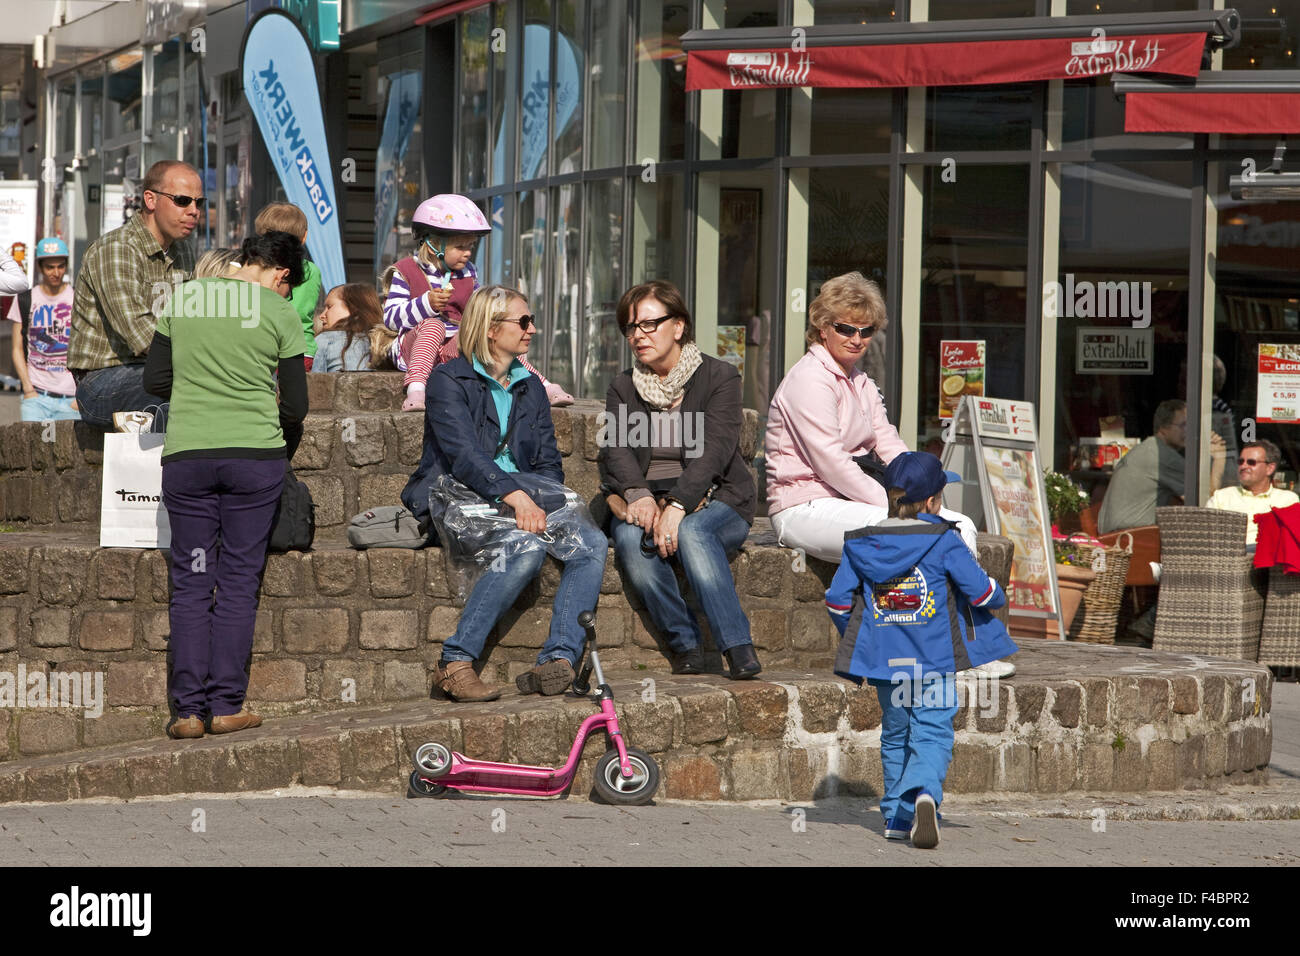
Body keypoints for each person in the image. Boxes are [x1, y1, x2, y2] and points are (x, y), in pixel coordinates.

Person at [141, 231, 309, 739]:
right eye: (289, 287)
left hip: (188, 457)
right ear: (281, 274)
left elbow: (154, 381)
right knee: (237, 581)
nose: (286, 296)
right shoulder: (278, 313)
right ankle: (226, 706)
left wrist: (199, 386)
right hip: (254, 460)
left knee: (191, 582)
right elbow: (297, 406)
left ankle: (187, 712)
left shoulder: (185, 295)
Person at [404, 285, 607, 702]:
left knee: (591, 541)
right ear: (492, 329)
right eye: (524, 321)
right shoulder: (448, 380)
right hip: (460, 496)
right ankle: (454, 662)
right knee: (525, 549)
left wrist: (547, 500)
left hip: (523, 496)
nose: (532, 329)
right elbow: (462, 457)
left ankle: (560, 659)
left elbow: (548, 461)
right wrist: (515, 496)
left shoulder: (529, 386)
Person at [827, 452, 1016, 849]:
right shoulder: (944, 540)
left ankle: (897, 817)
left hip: (886, 664)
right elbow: (981, 592)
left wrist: (863, 638)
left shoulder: (863, 542)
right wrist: (1000, 592)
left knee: (896, 733)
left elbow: (838, 602)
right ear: (931, 502)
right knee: (931, 730)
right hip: (933, 660)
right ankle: (925, 793)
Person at [598, 280, 761, 680]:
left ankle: (737, 647)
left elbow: (717, 450)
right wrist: (638, 496)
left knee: (692, 533)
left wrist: (678, 506)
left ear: (679, 326)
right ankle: (685, 642)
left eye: (649, 324)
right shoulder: (623, 386)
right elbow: (616, 449)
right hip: (648, 500)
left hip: (718, 498)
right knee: (630, 544)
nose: (638, 335)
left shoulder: (720, 376)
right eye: (631, 327)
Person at [382, 193, 572, 410]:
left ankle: (543, 384)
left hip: (452, 345)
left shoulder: (468, 272)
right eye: (460, 247)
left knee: (495, 340)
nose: (468, 253)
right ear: (433, 243)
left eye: (470, 246)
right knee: (434, 326)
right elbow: (391, 319)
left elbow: (477, 308)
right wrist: (427, 304)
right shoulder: (407, 270)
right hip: (416, 346)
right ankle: (416, 389)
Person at [69, 159, 200, 429]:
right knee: (195, 393)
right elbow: (141, 336)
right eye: (183, 200)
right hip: (102, 380)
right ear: (150, 200)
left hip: (162, 372)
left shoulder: (185, 250)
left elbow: (196, 321)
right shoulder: (117, 249)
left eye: (199, 202)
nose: (194, 211)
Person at [6, 237, 79, 422]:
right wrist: (28, 388)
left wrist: (82, 395)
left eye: (60, 266)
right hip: (36, 398)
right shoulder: (25, 299)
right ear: (40, 267)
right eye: (50, 267)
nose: (56, 272)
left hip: (71, 400)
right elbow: (16, 348)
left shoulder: (78, 298)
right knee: (30, 450)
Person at [1097, 399, 1187, 535]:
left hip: (1116, 534)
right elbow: (1201, 496)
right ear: (1163, 427)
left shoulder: (1147, 448)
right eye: (1183, 425)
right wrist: (1218, 459)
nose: (1189, 431)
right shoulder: (1162, 455)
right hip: (1130, 538)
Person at [255, 203, 323, 370]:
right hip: (302, 349)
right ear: (304, 237)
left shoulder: (258, 268)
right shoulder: (311, 270)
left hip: (266, 347)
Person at [1206, 439, 1298, 546]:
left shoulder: (1287, 500)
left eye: (1251, 462)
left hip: (1269, 557)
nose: (1243, 466)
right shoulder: (1221, 497)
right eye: (1241, 462)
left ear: (1270, 468)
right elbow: (1207, 535)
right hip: (1230, 557)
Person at [313, 283, 381, 372]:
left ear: (353, 308)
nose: (322, 315)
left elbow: (312, 382)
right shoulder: (383, 342)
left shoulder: (326, 339)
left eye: (329, 307)